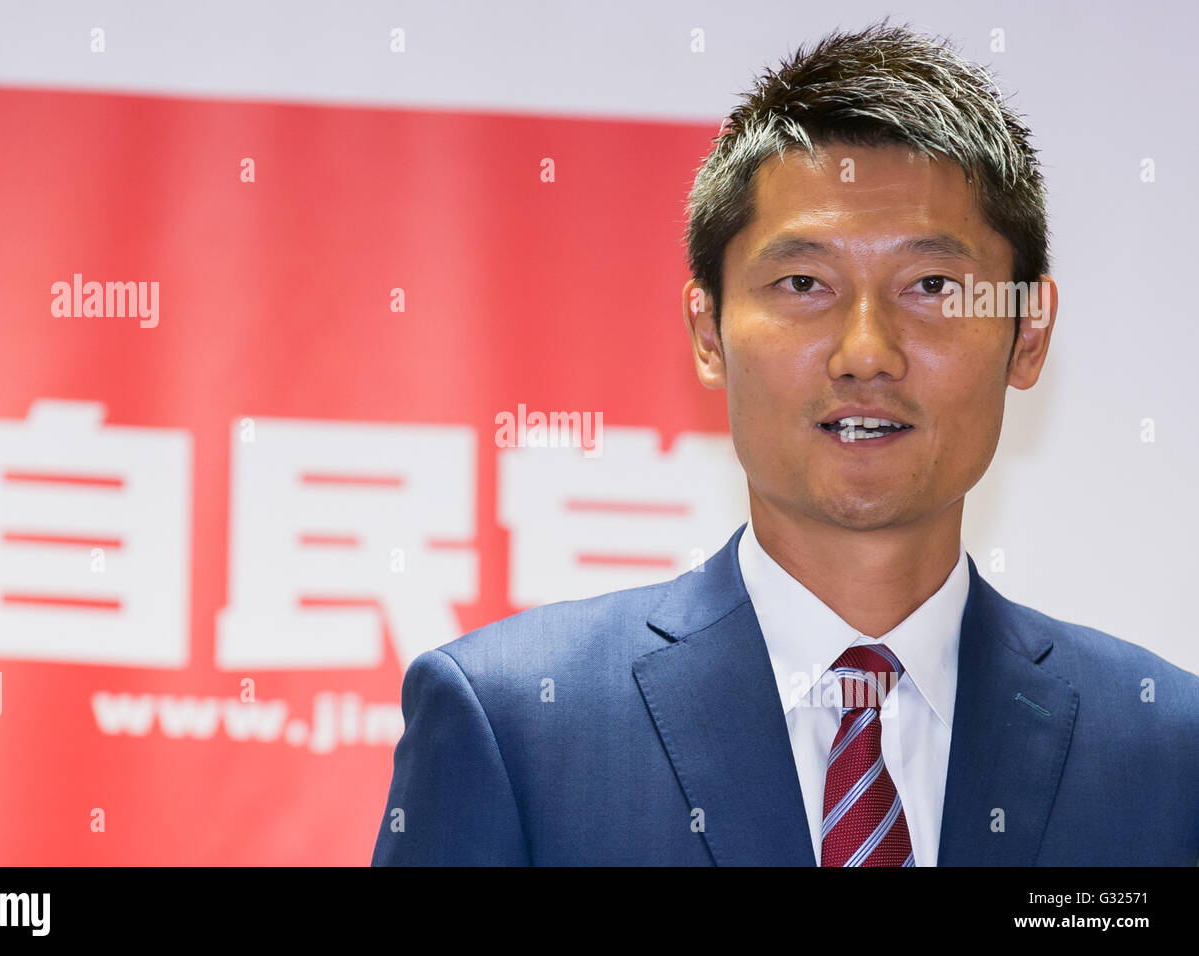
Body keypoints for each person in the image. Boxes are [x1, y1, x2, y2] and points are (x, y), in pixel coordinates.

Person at [371, 20, 1199, 866]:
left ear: (1027, 334)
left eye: (933, 286)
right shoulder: (517, 725)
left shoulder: (1166, 751)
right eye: (803, 283)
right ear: (708, 332)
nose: (867, 353)